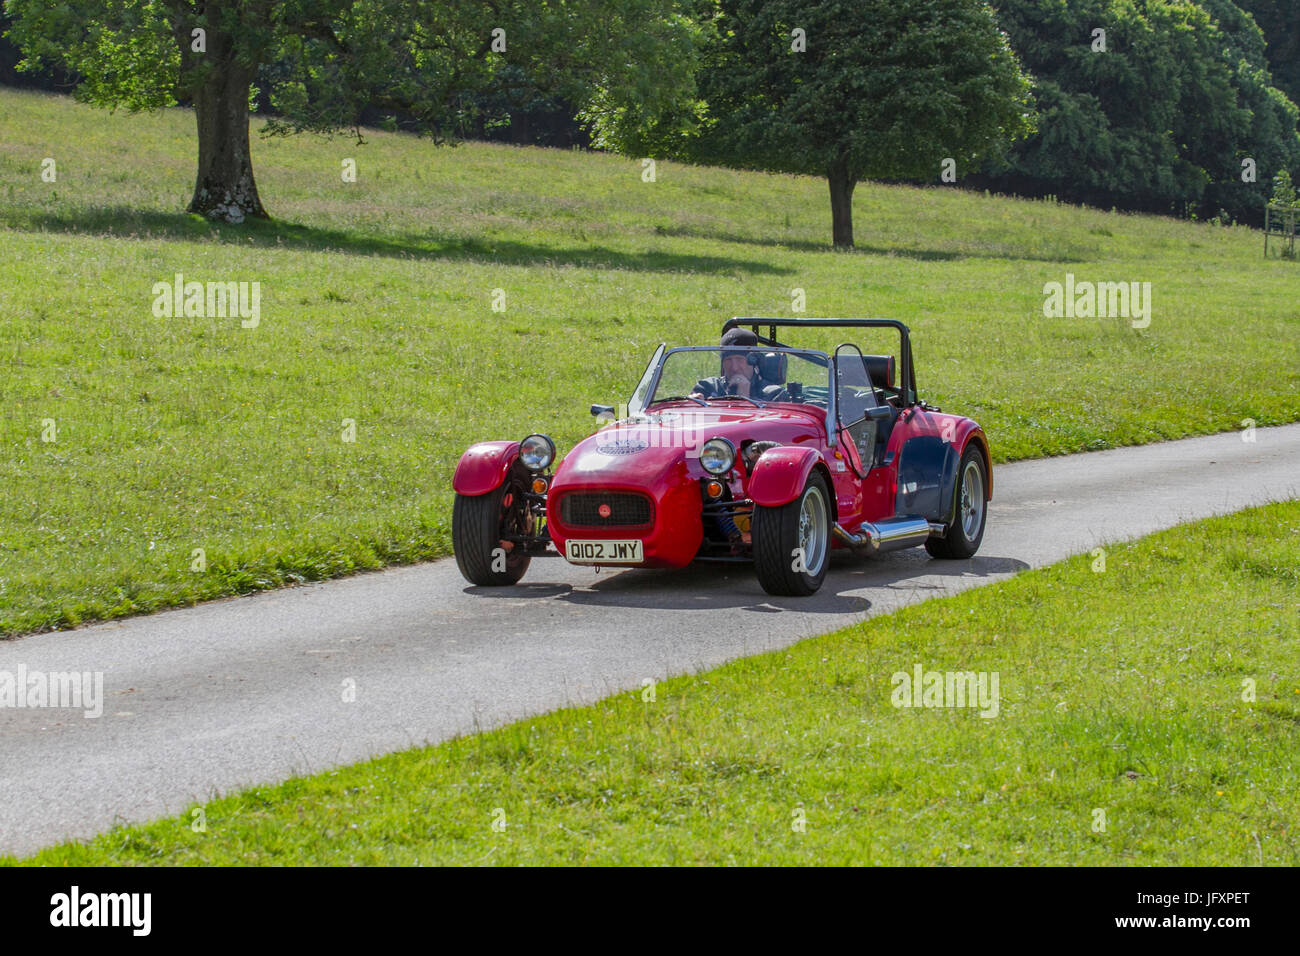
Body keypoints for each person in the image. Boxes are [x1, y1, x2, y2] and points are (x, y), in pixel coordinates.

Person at [690, 327, 780, 400]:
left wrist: (744, 398)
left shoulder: (774, 394)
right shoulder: (707, 387)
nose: (734, 367)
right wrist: (691, 403)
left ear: (753, 360)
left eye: (740, 359)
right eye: (728, 360)